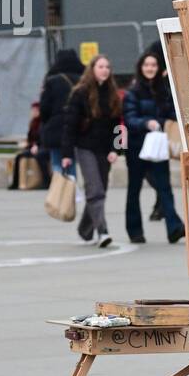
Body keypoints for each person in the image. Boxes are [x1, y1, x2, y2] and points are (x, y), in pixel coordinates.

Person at [122, 52, 184, 244]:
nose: (150, 68)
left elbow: (173, 113)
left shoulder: (163, 90)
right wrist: (146, 123)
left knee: (164, 187)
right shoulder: (132, 92)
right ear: (141, 67)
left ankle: (174, 228)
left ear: (158, 69)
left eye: (153, 65)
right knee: (134, 188)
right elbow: (129, 118)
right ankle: (135, 231)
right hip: (137, 147)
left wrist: (166, 120)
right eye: (147, 65)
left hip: (159, 146)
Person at [62, 54, 120, 247]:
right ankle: (102, 232)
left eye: (107, 67)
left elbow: (118, 126)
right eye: (101, 66)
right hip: (84, 147)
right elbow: (69, 125)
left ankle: (85, 229)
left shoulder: (113, 94)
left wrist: (116, 149)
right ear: (92, 69)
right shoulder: (80, 93)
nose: (105, 70)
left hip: (104, 149)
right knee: (95, 189)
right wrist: (66, 154)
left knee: (100, 189)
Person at [39, 48, 84, 180]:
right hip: (77, 127)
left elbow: (44, 108)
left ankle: (60, 196)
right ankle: (73, 192)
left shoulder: (51, 81)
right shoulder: (82, 80)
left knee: (57, 163)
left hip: (55, 127)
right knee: (71, 162)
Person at [7, 102, 51, 192]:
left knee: (40, 156)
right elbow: (31, 138)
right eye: (33, 110)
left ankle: (47, 181)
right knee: (19, 156)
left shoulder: (43, 122)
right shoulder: (33, 122)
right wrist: (28, 144)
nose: (34, 112)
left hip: (43, 147)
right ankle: (16, 182)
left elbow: (43, 138)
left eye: (36, 110)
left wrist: (36, 145)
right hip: (34, 147)